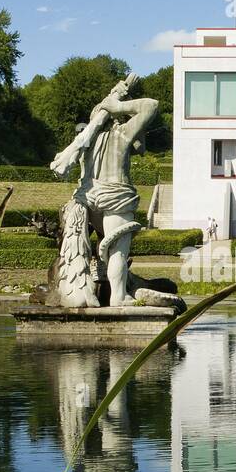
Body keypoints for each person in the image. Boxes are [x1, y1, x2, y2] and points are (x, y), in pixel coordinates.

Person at [50, 74, 158, 307]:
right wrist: (120, 106)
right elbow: (151, 106)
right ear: (114, 116)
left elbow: (141, 147)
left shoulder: (86, 141)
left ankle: (78, 288)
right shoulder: (121, 134)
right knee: (117, 250)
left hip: (86, 197)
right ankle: (118, 296)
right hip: (115, 197)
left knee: (78, 248)